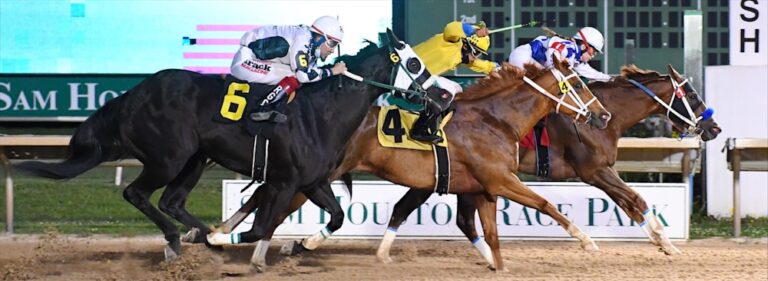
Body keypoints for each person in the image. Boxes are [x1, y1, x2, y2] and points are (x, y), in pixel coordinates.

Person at [230, 16, 348, 121]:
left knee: (295, 74)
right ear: (321, 38)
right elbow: (303, 76)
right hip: (244, 62)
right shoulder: (303, 39)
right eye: (332, 44)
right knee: (295, 76)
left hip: (259, 59)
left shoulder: (311, 46)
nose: (332, 50)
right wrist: (332, 71)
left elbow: (314, 73)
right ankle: (261, 107)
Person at [408, 21, 499, 143]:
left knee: (456, 90)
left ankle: (431, 124)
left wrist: (504, 68)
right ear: (466, 45)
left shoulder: (461, 57)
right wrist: (473, 31)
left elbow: (484, 66)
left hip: (418, 77)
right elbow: (451, 28)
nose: (475, 57)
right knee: (452, 89)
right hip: (408, 70)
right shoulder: (451, 41)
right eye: (476, 52)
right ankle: (419, 129)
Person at [508, 26, 611, 82]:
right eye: (594, 51)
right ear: (584, 46)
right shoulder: (569, 48)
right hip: (523, 58)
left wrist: (612, 79)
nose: (593, 55)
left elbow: (592, 74)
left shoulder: (575, 58)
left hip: (531, 61)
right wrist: (554, 70)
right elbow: (552, 52)